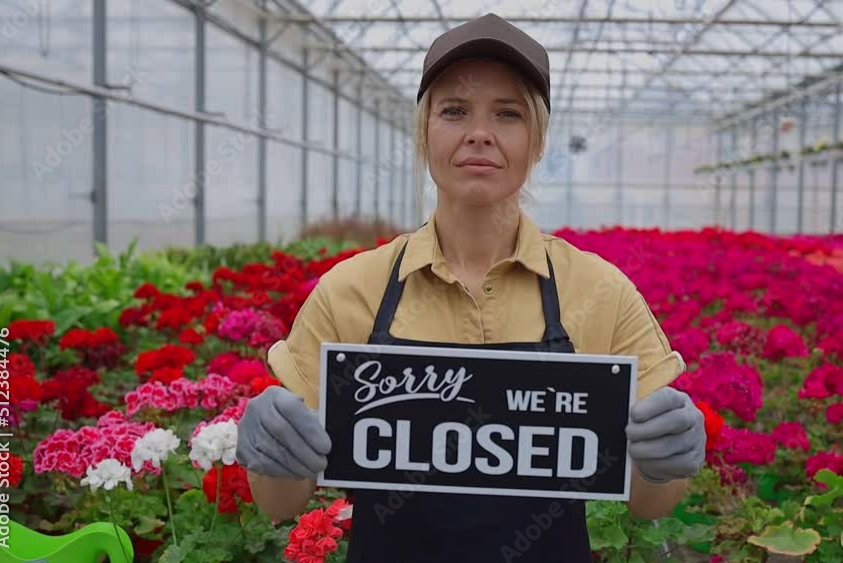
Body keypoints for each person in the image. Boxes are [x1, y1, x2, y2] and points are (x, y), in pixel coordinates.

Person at [236, 12, 706, 562]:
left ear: (536, 140)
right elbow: (280, 502)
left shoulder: (600, 292)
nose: (479, 132)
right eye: (454, 110)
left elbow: (654, 504)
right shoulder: (351, 291)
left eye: (508, 114)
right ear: (424, 133)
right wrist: (272, 455)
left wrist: (661, 461)